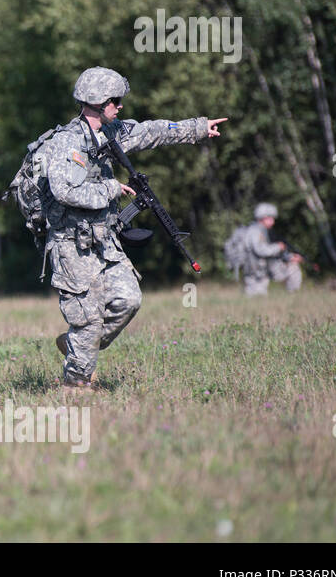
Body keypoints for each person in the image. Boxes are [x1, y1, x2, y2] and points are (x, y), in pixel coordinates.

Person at [42, 67, 228, 389]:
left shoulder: (112, 134)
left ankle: (76, 351)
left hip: (103, 240)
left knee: (129, 300)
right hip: (71, 246)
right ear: (98, 103)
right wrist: (110, 189)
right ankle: (75, 390)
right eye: (115, 101)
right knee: (87, 323)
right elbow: (64, 192)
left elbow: (153, 131)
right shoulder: (66, 143)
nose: (120, 107)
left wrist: (197, 128)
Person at [241, 203, 303, 296]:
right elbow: (261, 251)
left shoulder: (265, 231)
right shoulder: (254, 231)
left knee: (293, 268)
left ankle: (292, 297)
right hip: (256, 272)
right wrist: (278, 247)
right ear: (262, 218)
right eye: (270, 218)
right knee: (257, 297)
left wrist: (289, 257)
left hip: (267, 268)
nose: (273, 221)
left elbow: (273, 253)